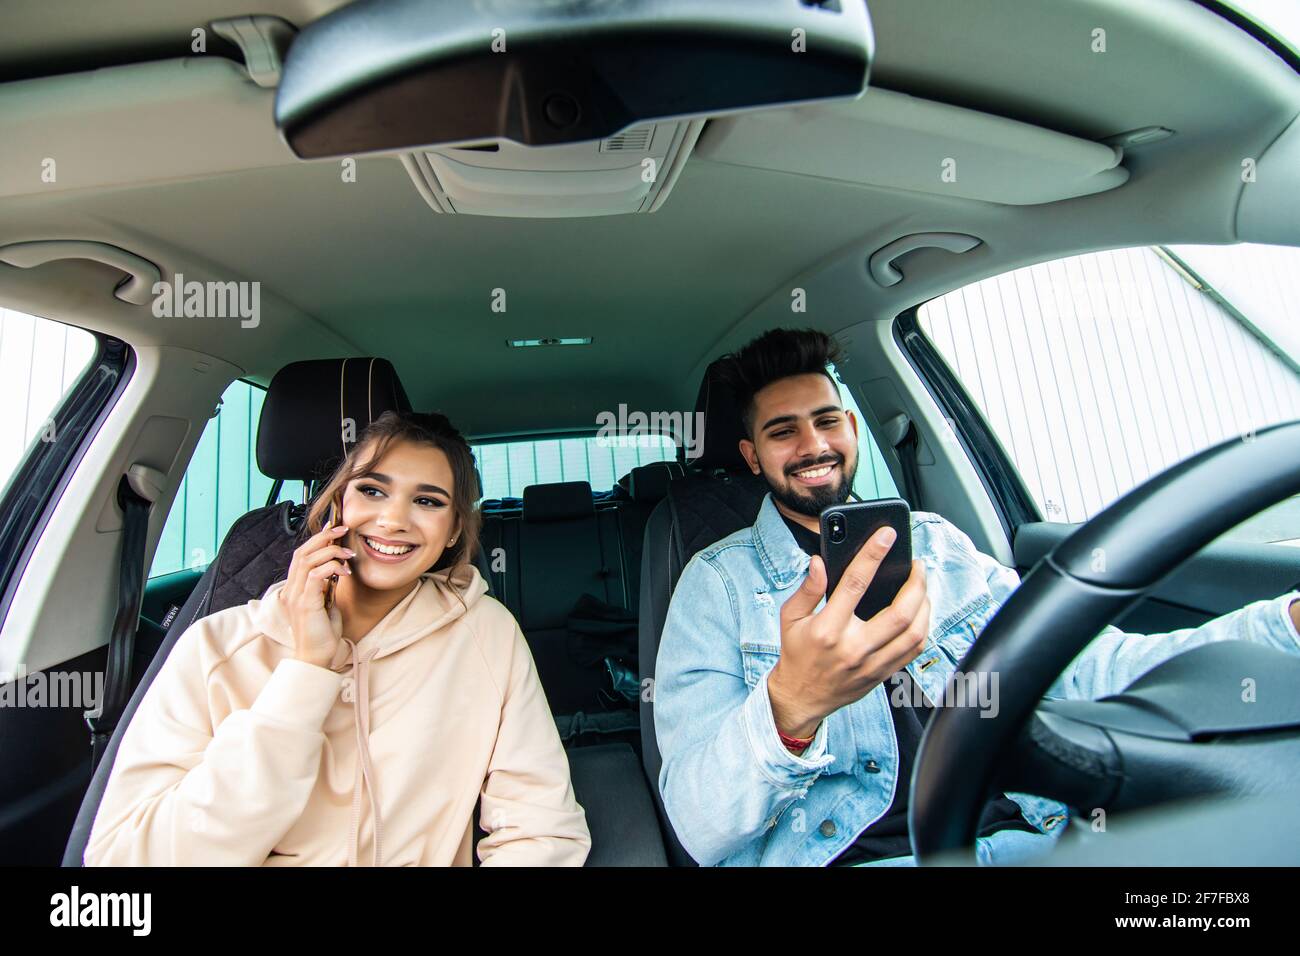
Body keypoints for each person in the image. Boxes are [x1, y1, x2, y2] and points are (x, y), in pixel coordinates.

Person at [654, 327, 1300, 867]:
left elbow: (1089, 669)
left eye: (826, 421)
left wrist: (1285, 625)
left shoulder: (937, 545)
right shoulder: (717, 585)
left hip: (1031, 835)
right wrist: (792, 708)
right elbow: (697, 822)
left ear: (852, 427)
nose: (815, 446)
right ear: (752, 457)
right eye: (784, 432)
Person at [84, 410, 590, 866]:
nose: (393, 519)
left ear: (454, 530)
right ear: (334, 506)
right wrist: (303, 678)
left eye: (427, 501)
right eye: (371, 490)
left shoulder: (486, 633)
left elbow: (541, 828)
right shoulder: (215, 648)